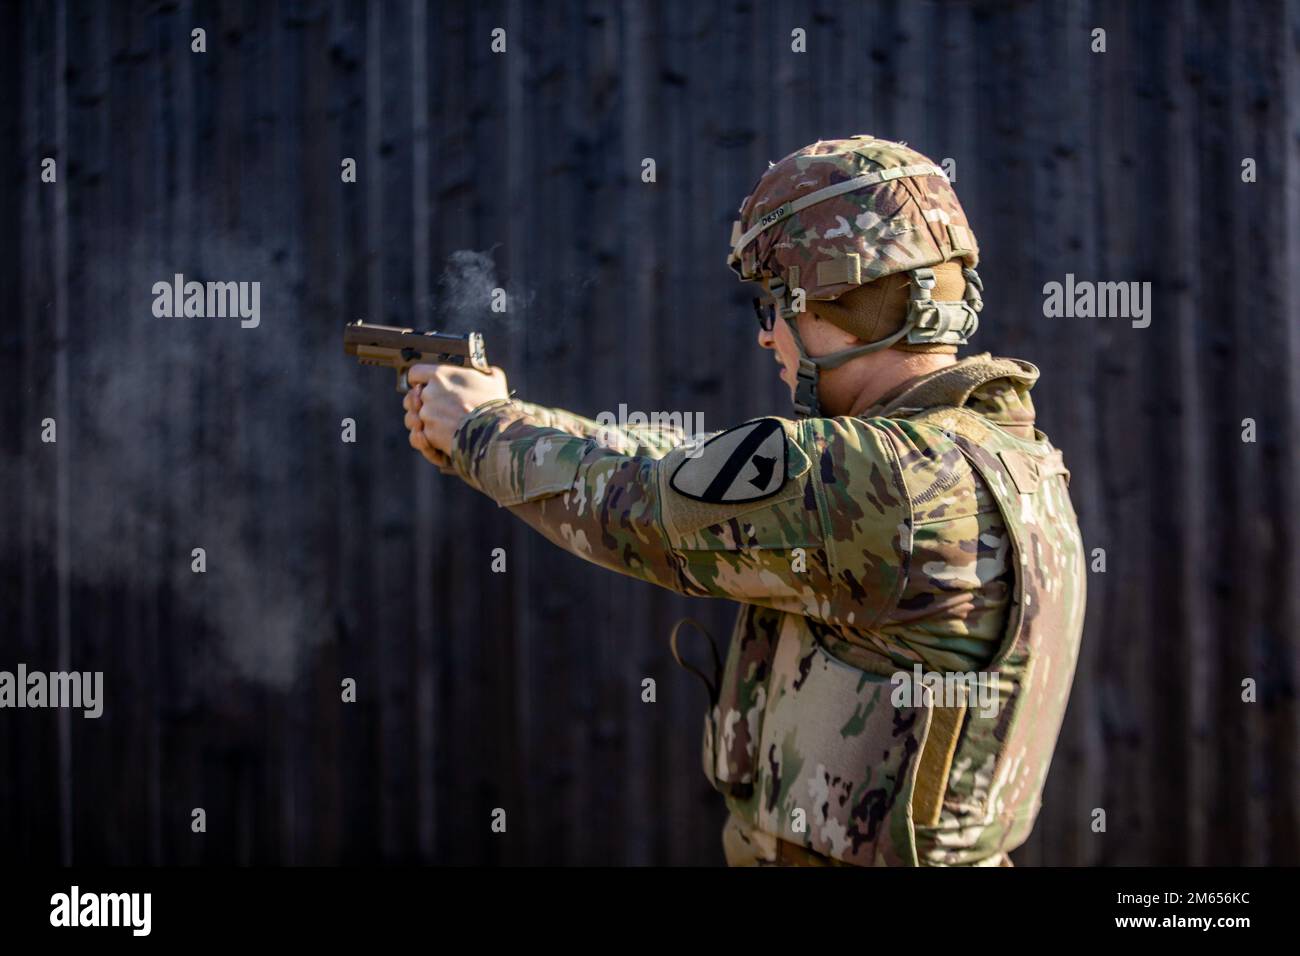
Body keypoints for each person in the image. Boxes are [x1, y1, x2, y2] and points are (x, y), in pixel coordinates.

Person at [402, 135, 1086, 867]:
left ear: (837, 302)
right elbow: (680, 467)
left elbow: (641, 510)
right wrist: (508, 412)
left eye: (774, 306)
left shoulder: (879, 479)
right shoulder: (991, 455)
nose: (767, 337)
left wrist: (477, 430)